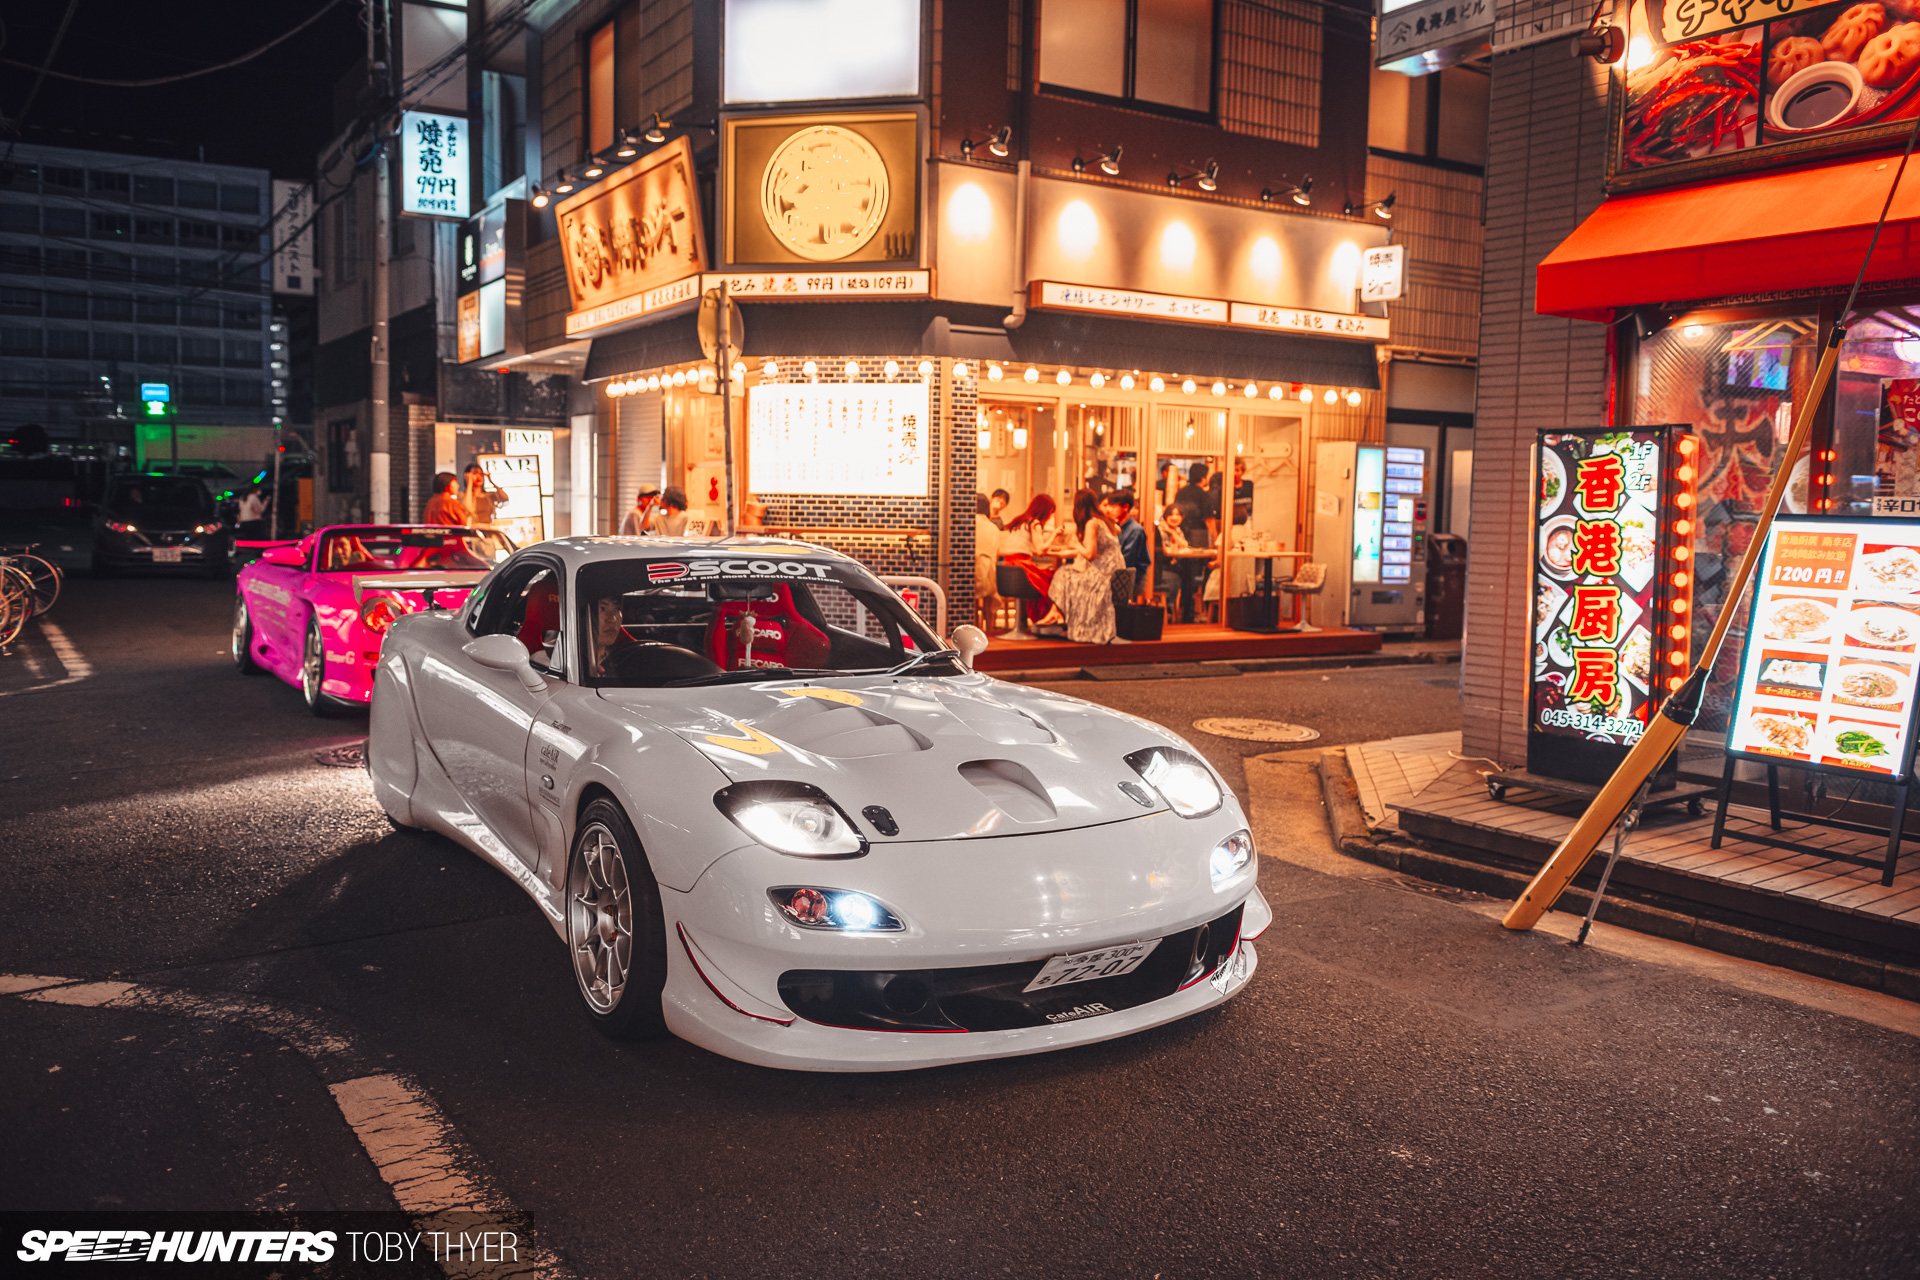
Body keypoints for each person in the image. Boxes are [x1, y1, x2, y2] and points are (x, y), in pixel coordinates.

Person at [1050, 490, 1124, 643]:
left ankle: (1060, 615)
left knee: (1063, 574)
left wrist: (1075, 544)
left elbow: (1090, 555)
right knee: (1069, 573)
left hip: (1104, 572)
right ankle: (1058, 613)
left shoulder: (1092, 523)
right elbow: (1117, 530)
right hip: (1118, 569)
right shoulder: (1105, 521)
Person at [999, 494, 1063, 627]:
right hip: (1021, 567)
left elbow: (1024, 547)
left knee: (1046, 577)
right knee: (1053, 580)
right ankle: (1047, 621)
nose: (1050, 517)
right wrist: (1054, 534)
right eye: (1050, 513)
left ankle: (1026, 621)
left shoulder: (1018, 521)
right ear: (1044, 510)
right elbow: (1040, 551)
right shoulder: (1034, 523)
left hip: (1006, 566)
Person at [1156, 503, 1206, 623]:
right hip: (1162, 566)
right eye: (1171, 514)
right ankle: (1177, 610)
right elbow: (1165, 552)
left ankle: (1185, 612)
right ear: (1166, 516)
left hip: (1174, 564)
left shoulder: (1177, 529)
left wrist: (1172, 532)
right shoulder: (1160, 530)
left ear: (1182, 517)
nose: (1174, 517)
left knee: (1188, 575)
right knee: (1184, 576)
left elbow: (1184, 545)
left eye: (1178, 515)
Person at [1103, 490, 1150, 600]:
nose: (1110, 510)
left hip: (1130, 577)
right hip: (1117, 573)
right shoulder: (1116, 526)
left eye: (1114, 506)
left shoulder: (1136, 530)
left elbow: (1128, 560)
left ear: (1126, 507)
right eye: (1109, 506)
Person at [974, 494, 1002, 628]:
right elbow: (996, 556)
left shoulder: (968, 525)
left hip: (972, 575)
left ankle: (972, 626)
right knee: (989, 597)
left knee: (971, 597)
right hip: (989, 577)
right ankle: (990, 628)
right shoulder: (994, 528)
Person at [1175, 461, 1217, 549]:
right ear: (1203, 478)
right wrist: (1216, 541)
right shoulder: (1203, 495)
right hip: (1199, 536)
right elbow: (1209, 520)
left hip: (1181, 534)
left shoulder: (1181, 492)